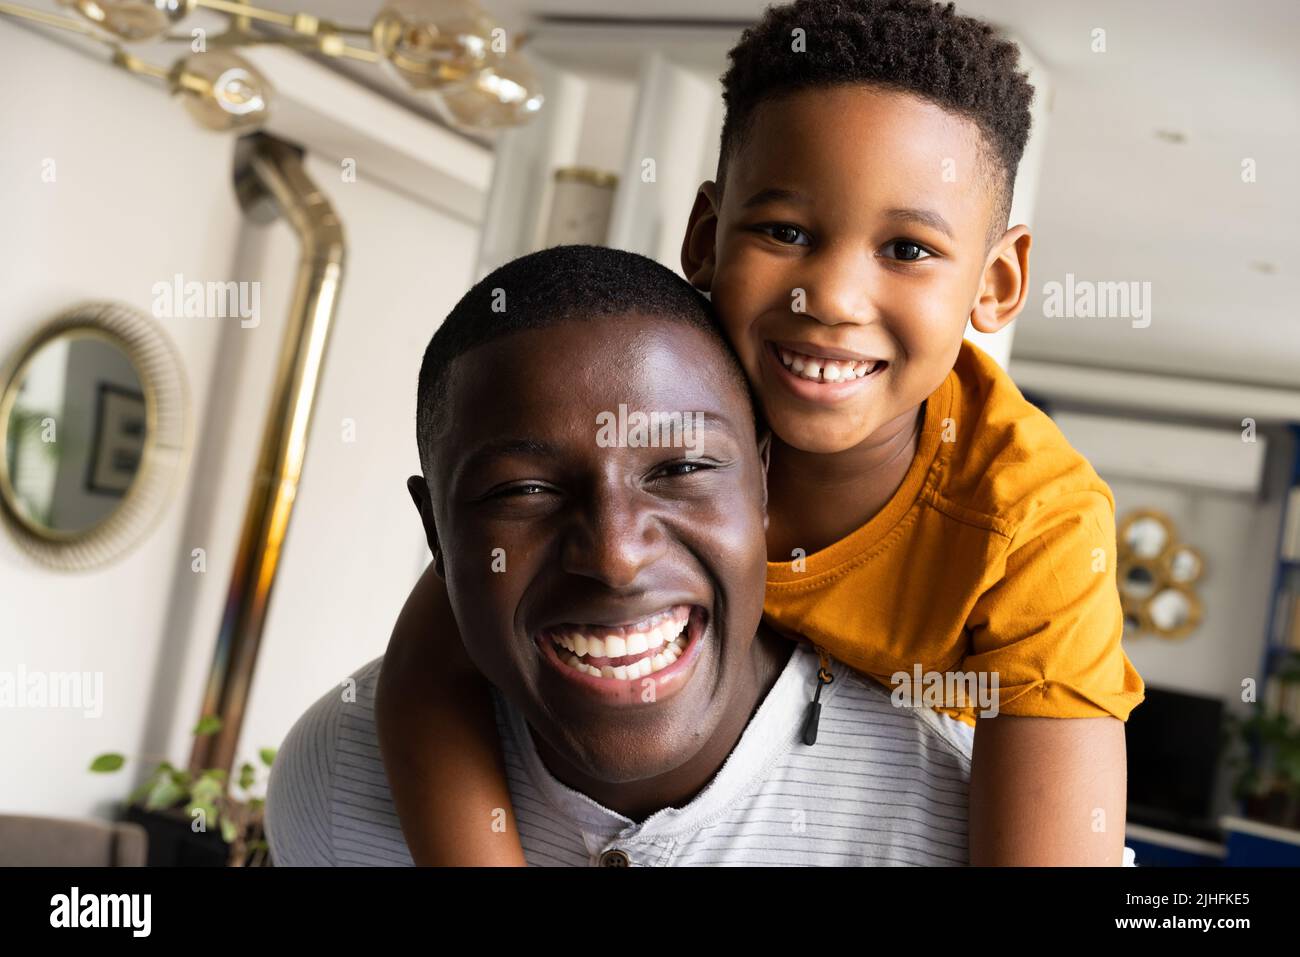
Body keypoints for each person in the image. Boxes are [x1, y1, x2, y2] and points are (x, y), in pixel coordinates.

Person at [377, 0, 1144, 866]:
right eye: (785, 232)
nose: (833, 300)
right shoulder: (651, 399)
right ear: (705, 238)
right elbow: (426, 672)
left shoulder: (1033, 518)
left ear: (997, 281)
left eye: (909, 250)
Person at [265, 245, 985, 866]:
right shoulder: (337, 775)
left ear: (763, 481)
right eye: (525, 489)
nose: (614, 555)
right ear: (437, 531)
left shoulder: (962, 804)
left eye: (682, 469)